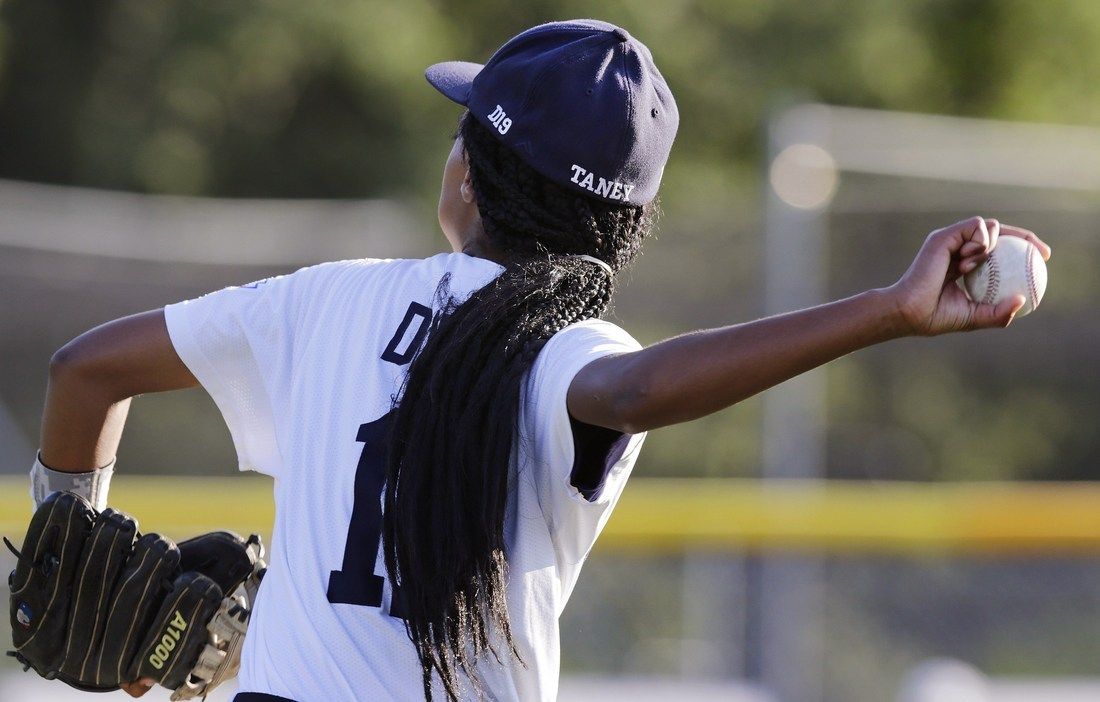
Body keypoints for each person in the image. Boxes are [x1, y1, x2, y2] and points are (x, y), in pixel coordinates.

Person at [31, 18, 1050, 702]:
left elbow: (85, 369)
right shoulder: (563, 347)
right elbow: (634, 389)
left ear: (465, 175)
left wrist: (61, 546)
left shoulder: (322, 300)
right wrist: (881, 312)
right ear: (627, 233)